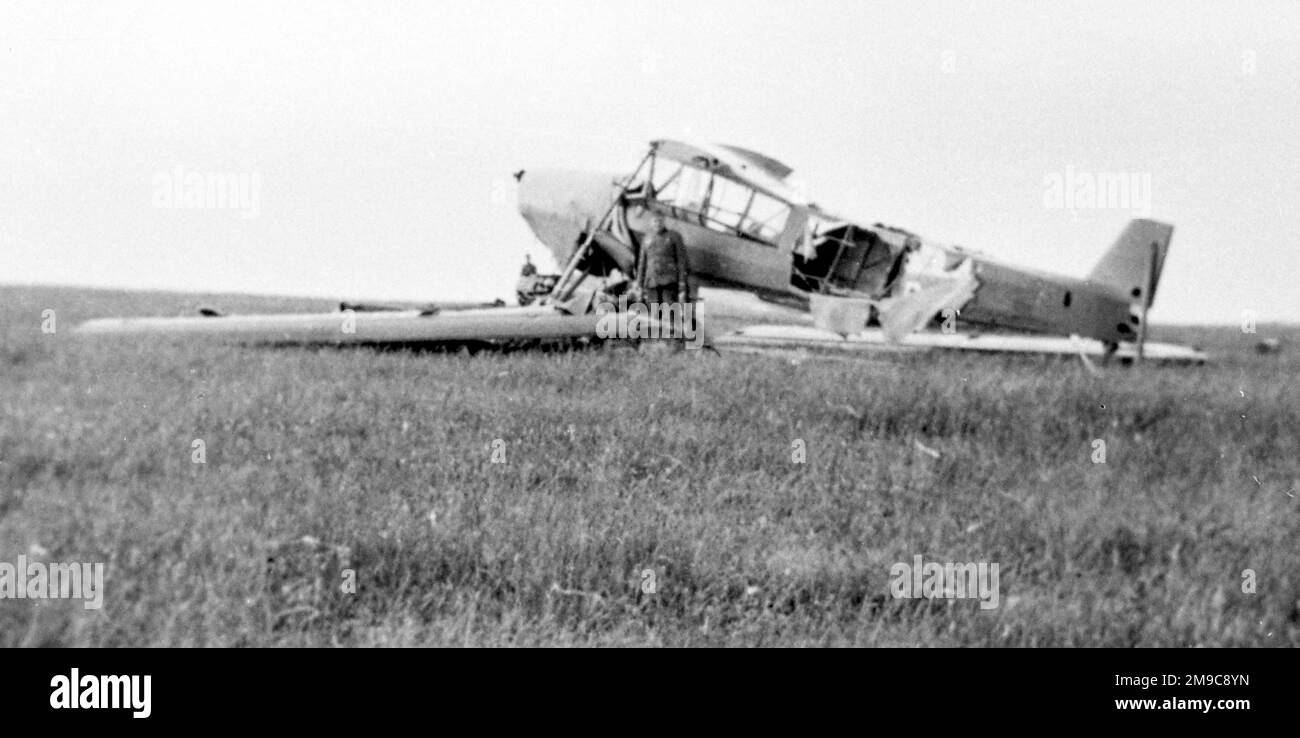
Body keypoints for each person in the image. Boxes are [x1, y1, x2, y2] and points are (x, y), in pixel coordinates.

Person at [635, 212, 692, 343]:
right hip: (652, 281)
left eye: (660, 221)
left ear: (664, 221)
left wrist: (682, 283)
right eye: (655, 221)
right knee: (654, 313)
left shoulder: (674, 237)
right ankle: (654, 342)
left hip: (669, 280)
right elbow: (642, 263)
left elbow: (682, 261)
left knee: (673, 311)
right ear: (651, 222)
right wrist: (639, 283)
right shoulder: (646, 238)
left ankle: (676, 341)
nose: (658, 224)